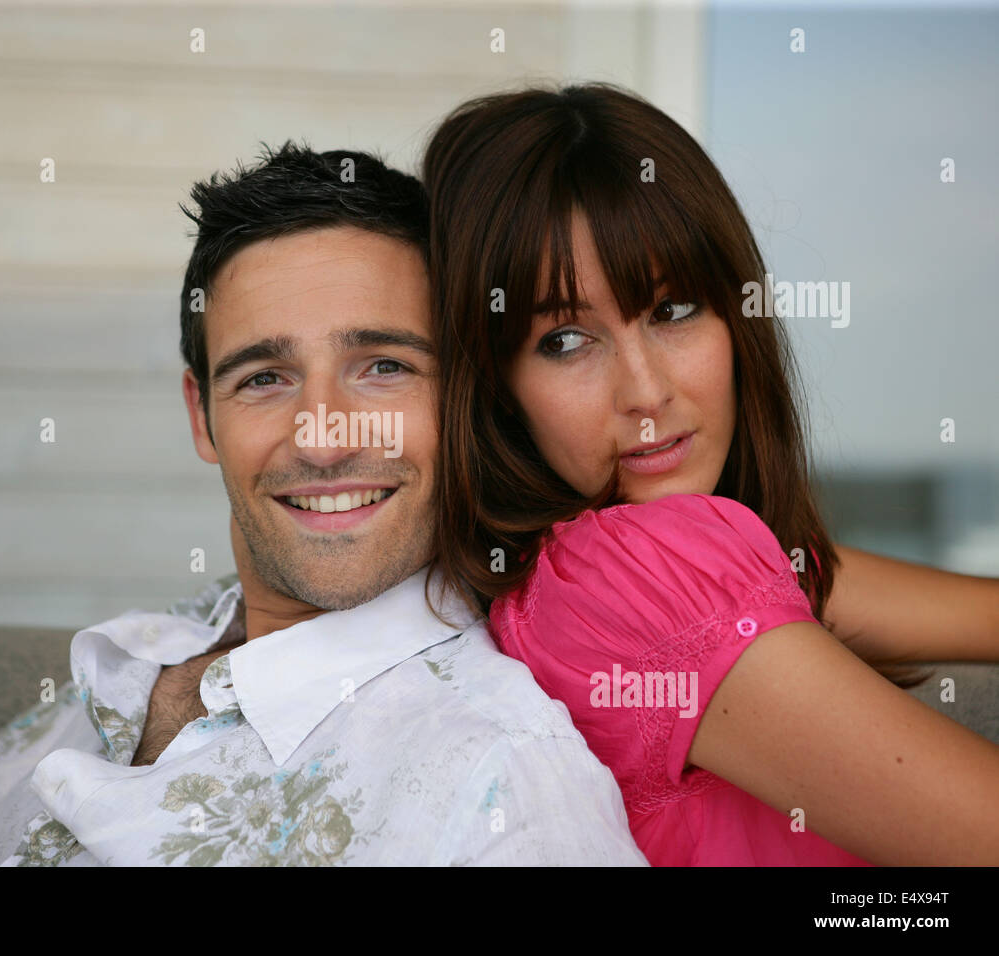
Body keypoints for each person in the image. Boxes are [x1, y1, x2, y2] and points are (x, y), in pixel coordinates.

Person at [0, 142, 647, 867]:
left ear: (460, 400)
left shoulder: (507, 778)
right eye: (264, 377)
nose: (324, 436)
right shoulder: (147, 652)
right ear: (202, 415)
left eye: (383, 366)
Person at [423, 84, 999, 866]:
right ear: (494, 386)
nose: (647, 392)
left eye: (673, 309)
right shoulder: (630, 575)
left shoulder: (630, 577)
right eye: (563, 341)